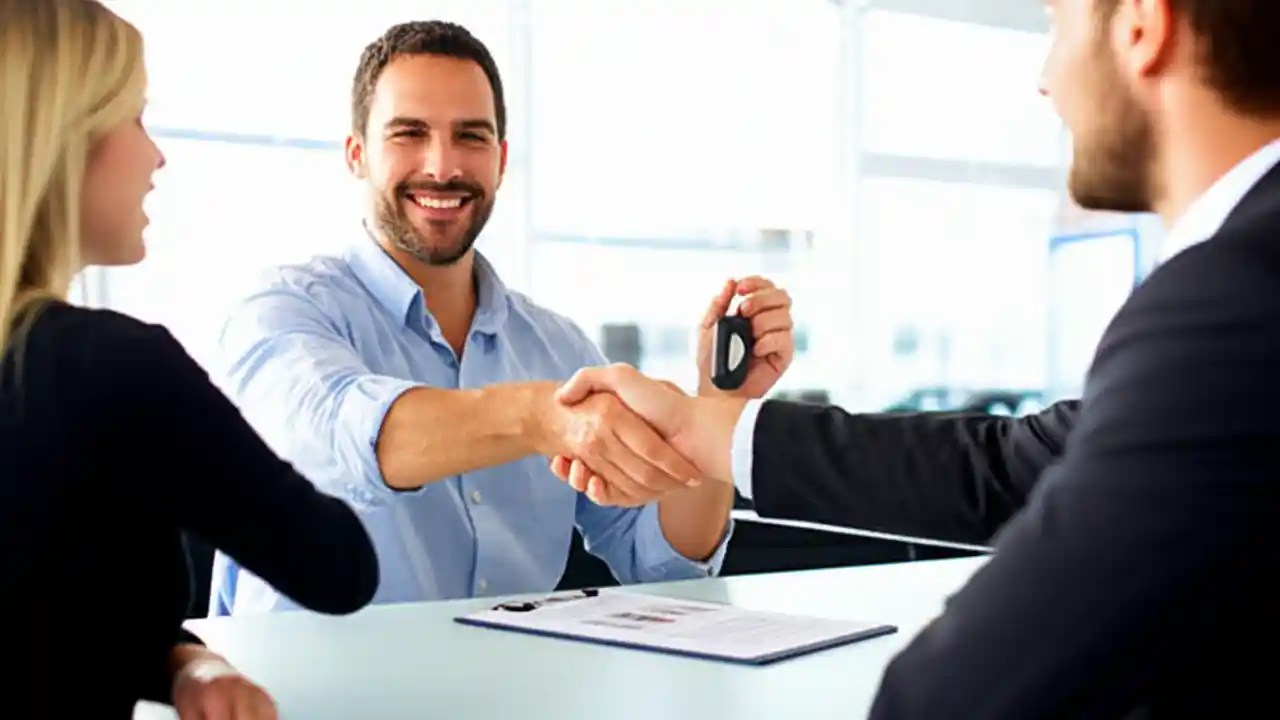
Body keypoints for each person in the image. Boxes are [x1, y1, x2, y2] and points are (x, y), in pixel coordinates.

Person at [554, 0, 1280, 715]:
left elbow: (955, 692)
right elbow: (1008, 467)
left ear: (1141, 27)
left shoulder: (1235, 292)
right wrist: (704, 425)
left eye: (1055, 26)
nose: (1045, 78)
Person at [209, 20, 796, 614]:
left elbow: (661, 559)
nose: (442, 166)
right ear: (357, 155)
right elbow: (347, 433)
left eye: (471, 137)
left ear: (500, 159)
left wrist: (721, 402)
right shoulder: (281, 314)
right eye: (409, 133)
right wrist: (539, 418)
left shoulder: (558, 347)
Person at [0, 1, 379, 718]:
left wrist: (184, 661)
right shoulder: (113, 369)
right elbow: (339, 567)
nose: (155, 155)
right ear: (61, 139)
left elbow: (39, 621)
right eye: (135, 118)